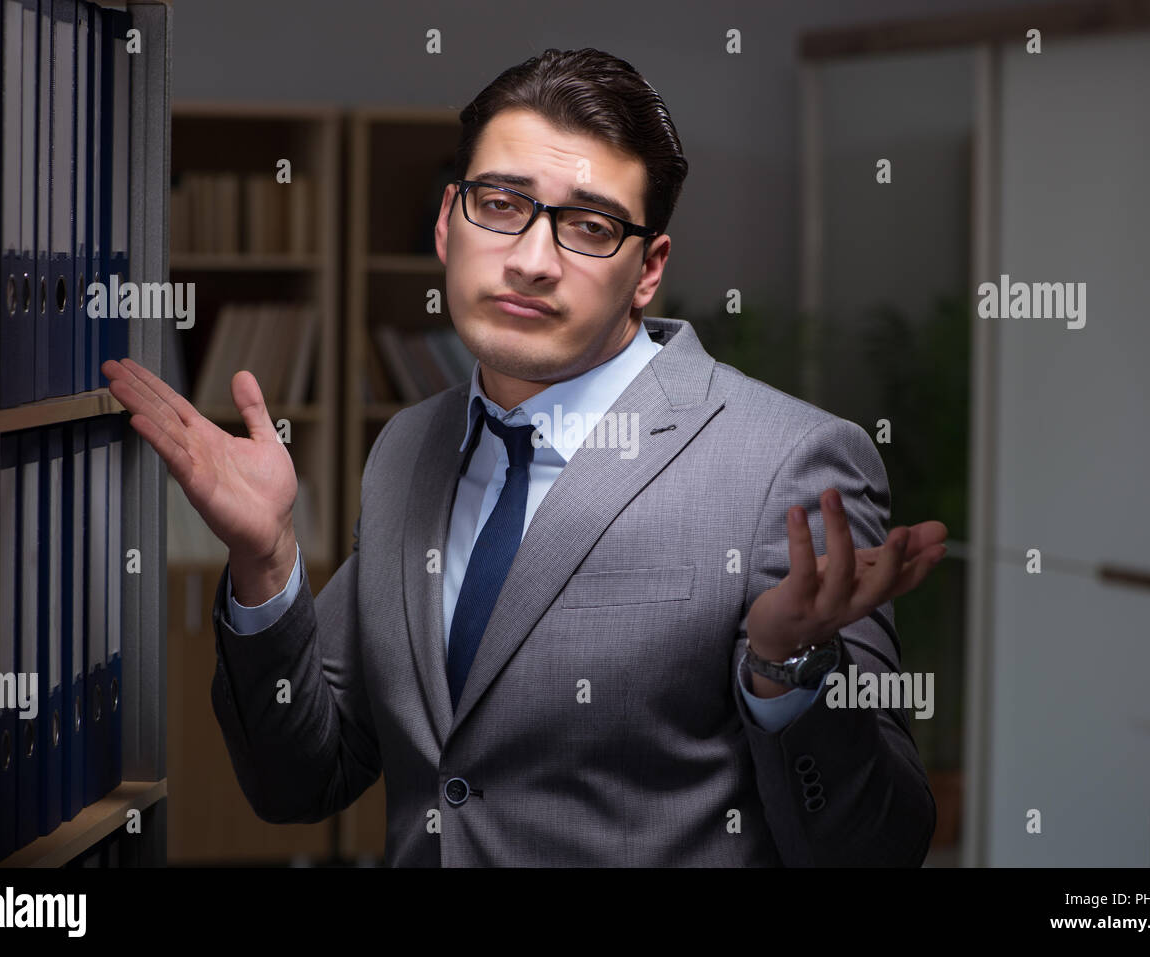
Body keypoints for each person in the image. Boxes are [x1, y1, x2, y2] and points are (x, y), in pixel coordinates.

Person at [102, 47, 948, 867]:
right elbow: (302, 778)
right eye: (501, 204)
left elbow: (878, 848)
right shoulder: (406, 447)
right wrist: (266, 561)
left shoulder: (789, 464)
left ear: (648, 268)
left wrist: (786, 672)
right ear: (447, 221)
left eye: (588, 225)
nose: (532, 260)